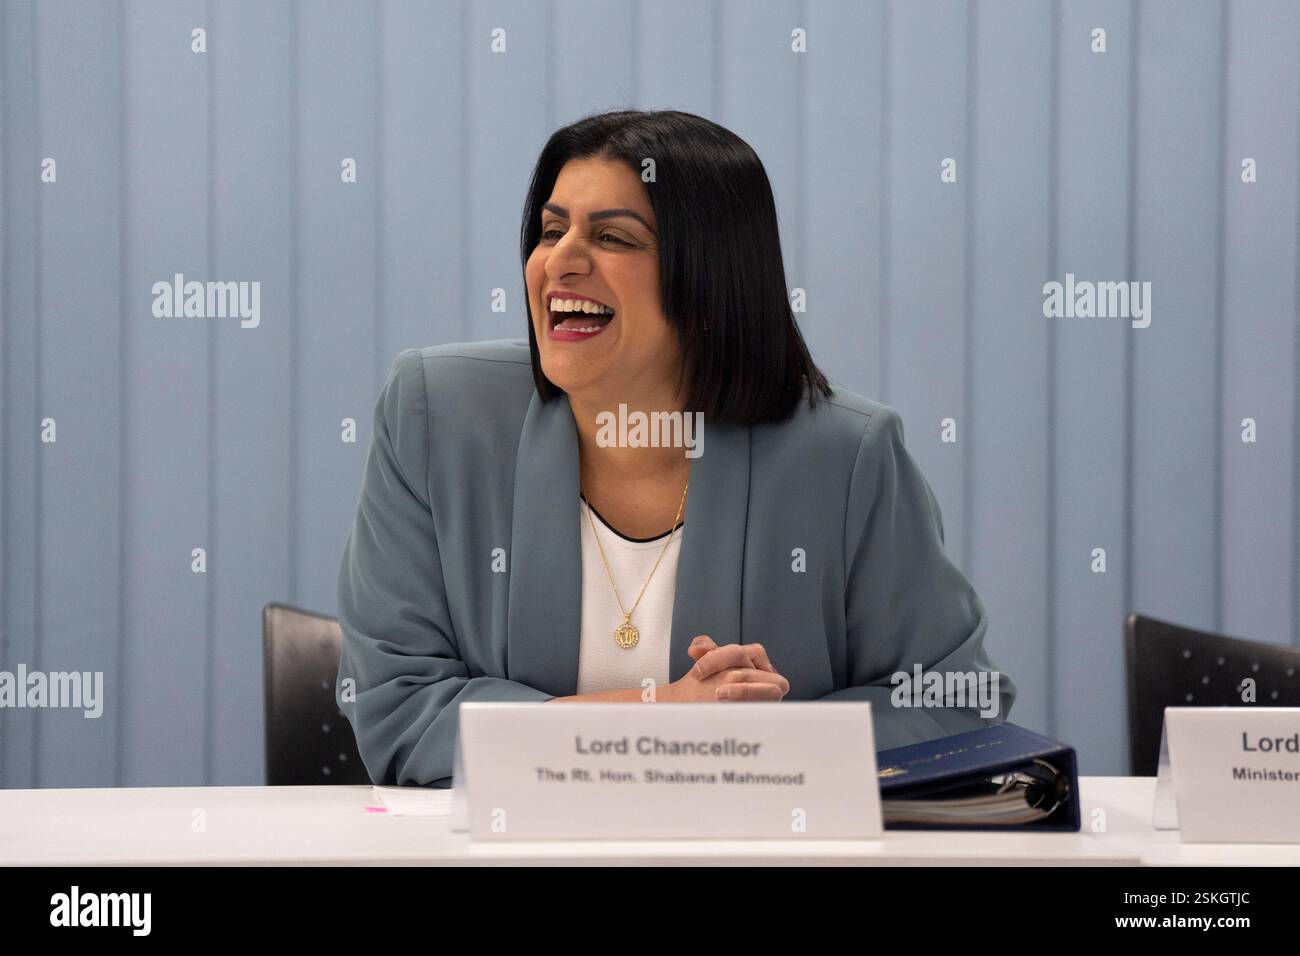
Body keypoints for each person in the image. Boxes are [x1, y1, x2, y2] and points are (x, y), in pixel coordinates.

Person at [336, 109, 1014, 787]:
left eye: (612, 237)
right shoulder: (437, 415)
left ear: (710, 281)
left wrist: (765, 742)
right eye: (551, 230)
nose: (561, 260)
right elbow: (401, 709)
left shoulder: (846, 457)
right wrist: (667, 726)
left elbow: (955, 701)